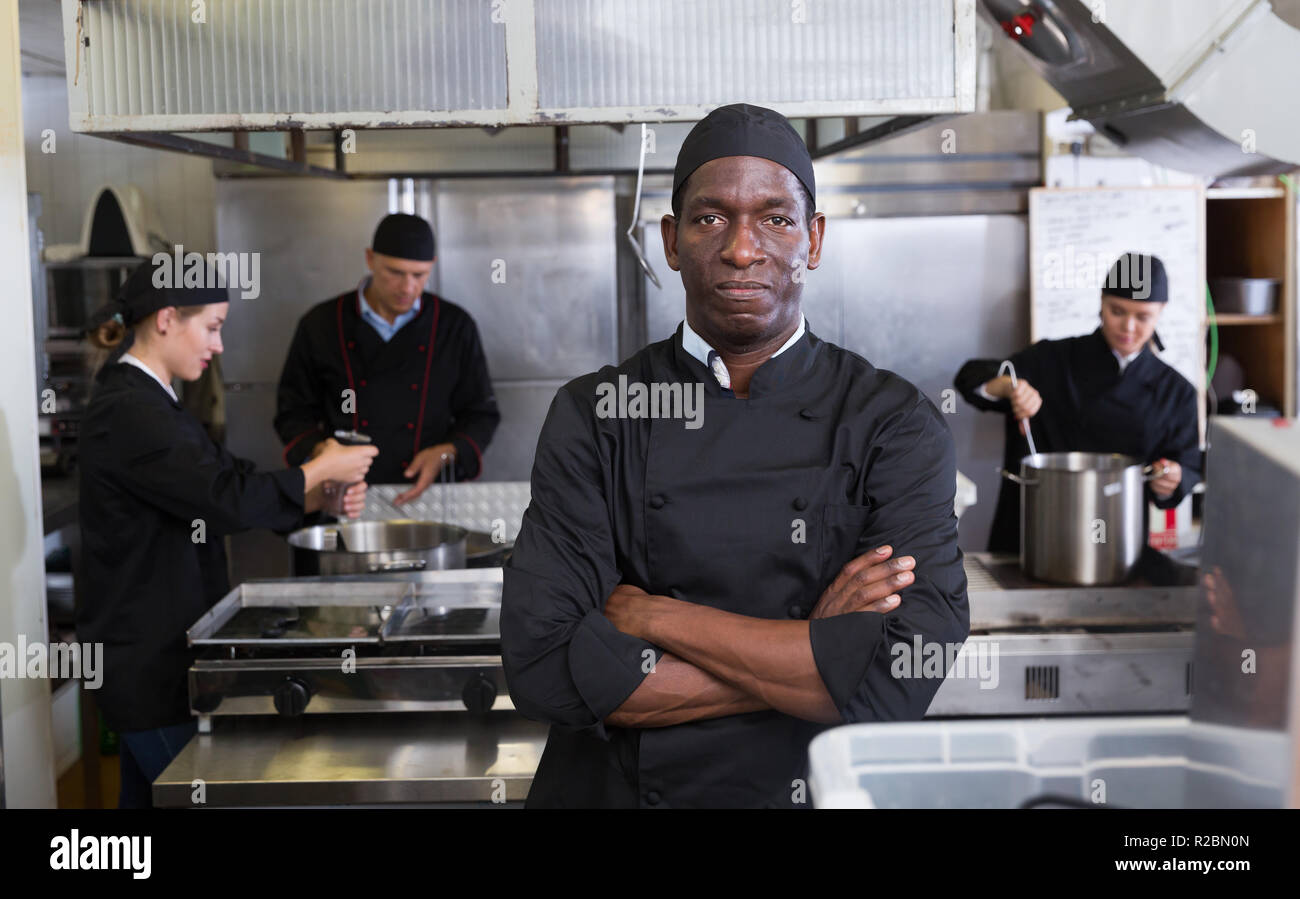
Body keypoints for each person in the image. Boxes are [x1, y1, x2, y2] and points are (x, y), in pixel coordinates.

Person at [501, 103, 969, 808]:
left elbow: (902, 668)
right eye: (711, 217)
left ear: (813, 240)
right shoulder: (595, 414)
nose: (742, 249)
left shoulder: (892, 423)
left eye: (775, 219)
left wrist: (657, 618)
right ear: (671, 240)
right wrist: (817, 654)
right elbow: (543, 667)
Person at [77, 260, 378, 808]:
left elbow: (226, 481)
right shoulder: (128, 410)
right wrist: (320, 470)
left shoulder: (154, 400)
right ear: (167, 318)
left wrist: (317, 499)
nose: (218, 346)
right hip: (150, 667)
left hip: (161, 658)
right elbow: (226, 499)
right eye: (212, 326)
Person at [954, 252, 1202, 554]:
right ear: (1101, 302)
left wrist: (1174, 478)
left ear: (1161, 311)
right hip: (1030, 536)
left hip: (1117, 542)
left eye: (1142, 317)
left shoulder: (1176, 392)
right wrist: (1007, 387)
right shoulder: (1053, 360)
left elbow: (1187, 465)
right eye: (1117, 311)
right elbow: (969, 377)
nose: (1128, 327)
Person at [275, 213, 500, 503]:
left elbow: (480, 412)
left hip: (430, 495)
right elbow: (293, 412)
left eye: (419, 275)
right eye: (394, 272)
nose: (407, 287)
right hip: (343, 495)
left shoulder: (454, 326)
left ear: (432, 266)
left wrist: (446, 453)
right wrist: (323, 458)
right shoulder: (322, 324)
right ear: (370, 260)